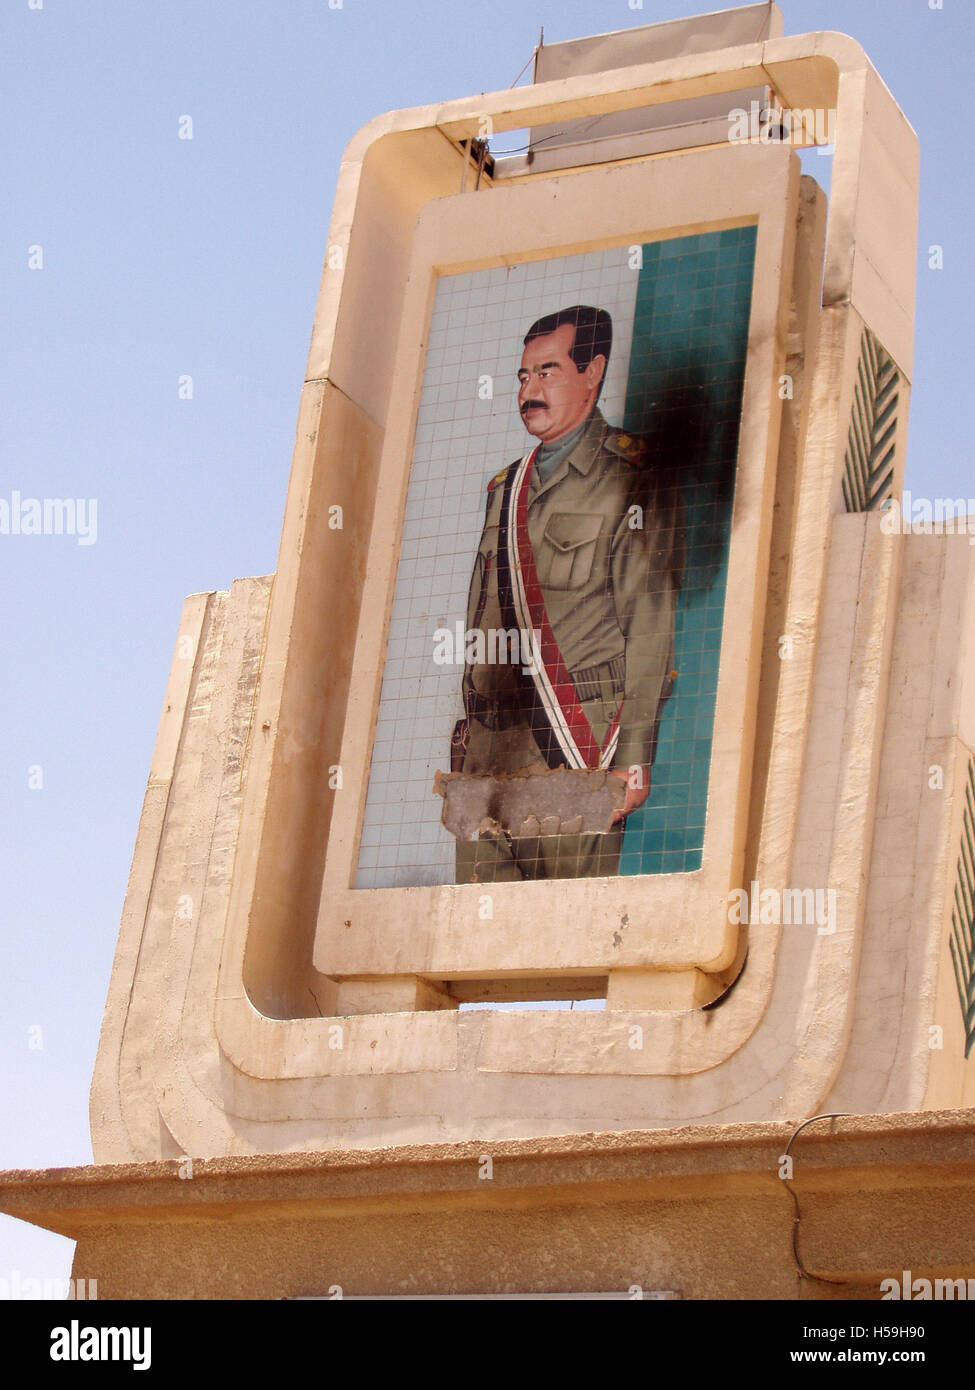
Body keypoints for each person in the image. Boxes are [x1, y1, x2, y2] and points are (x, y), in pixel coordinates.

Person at [452, 304, 683, 882]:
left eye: (547, 372)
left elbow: (649, 623)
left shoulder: (631, 475)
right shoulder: (504, 490)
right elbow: (482, 616)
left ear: (593, 371)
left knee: (556, 936)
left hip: (574, 745)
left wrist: (634, 755)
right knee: (470, 941)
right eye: (523, 377)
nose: (529, 390)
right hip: (488, 755)